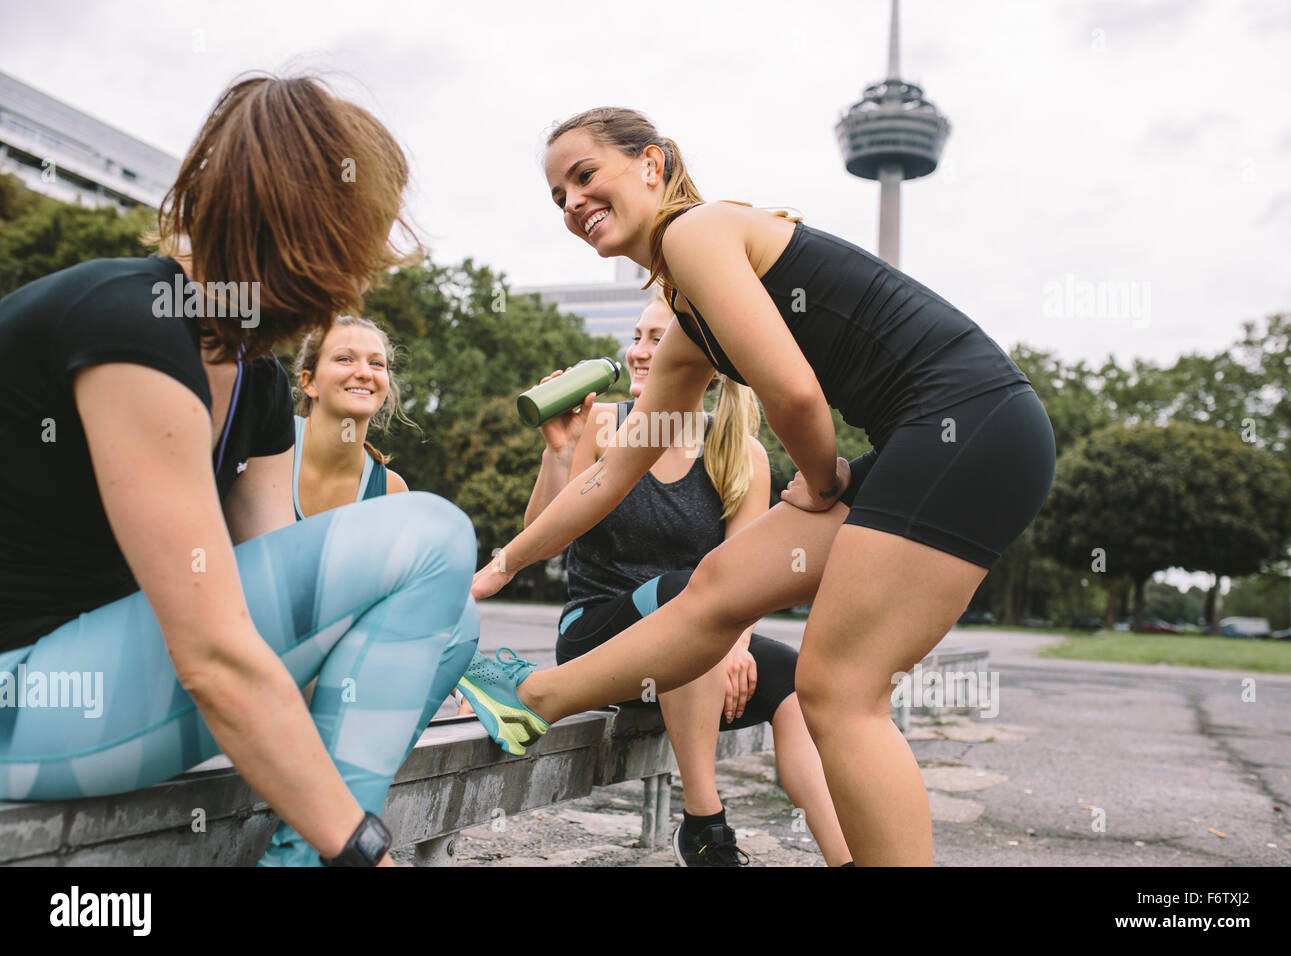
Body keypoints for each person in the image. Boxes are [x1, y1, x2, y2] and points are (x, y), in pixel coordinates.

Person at [462, 108, 1056, 866]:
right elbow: (612, 473)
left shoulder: (699, 232)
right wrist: (508, 561)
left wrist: (820, 480)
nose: (572, 203)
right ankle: (538, 697)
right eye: (557, 196)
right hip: (942, 434)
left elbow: (796, 395)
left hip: (966, 423)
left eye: (585, 176)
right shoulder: (684, 327)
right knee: (718, 585)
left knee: (840, 692)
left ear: (653, 164)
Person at [0, 74, 477, 867]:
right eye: (363, 243)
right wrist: (366, 854)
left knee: (452, 622)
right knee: (433, 533)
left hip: (94, 692)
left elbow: (274, 582)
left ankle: (297, 858)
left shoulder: (252, 376)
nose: (364, 276)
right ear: (315, 234)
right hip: (23, 698)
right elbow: (216, 654)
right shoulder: (133, 328)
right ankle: (329, 854)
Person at [487, 292, 850, 866]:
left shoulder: (742, 453)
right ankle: (704, 826)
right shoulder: (602, 425)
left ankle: (846, 858)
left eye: (657, 339)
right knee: (689, 596)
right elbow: (543, 536)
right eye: (636, 337)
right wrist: (558, 453)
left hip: (696, 645)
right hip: (596, 638)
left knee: (796, 684)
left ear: (705, 361)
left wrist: (734, 645)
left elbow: (747, 573)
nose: (636, 352)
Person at [290, 315, 412, 520]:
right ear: (309, 381)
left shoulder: (392, 493)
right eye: (344, 359)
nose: (365, 373)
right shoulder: (268, 446)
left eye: (376, 363)